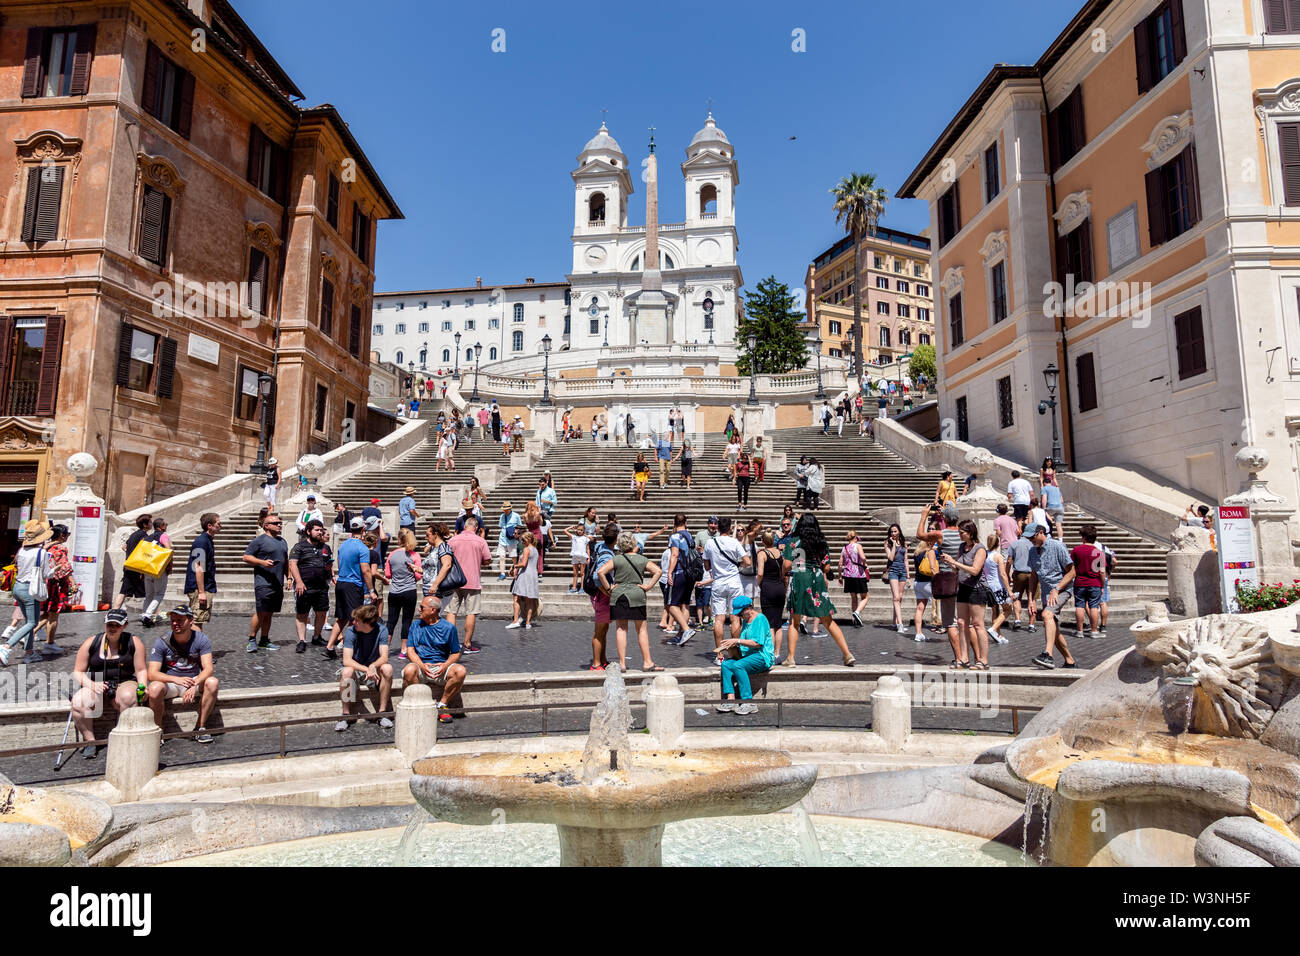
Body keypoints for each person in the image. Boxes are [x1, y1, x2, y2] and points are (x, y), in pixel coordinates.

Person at [68, 609, 148, 758]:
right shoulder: (92, 642)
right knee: (78, 702)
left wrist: (143, 687)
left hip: (124, 681)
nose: (112, 628)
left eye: (116, 625)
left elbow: (141, 669)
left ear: (124, 626)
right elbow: (78, 672)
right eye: (109, 624)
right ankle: (90, 742)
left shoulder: (134, 642)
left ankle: (123, 738)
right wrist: (91, 685)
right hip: (96, 682)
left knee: (129, 697)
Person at [782, 514, 856, 667]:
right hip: (817, 578)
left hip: (801, 577)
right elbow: (827, 567)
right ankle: (847, 653)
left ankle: (790, 658)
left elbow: (788, 565)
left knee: (794, 621)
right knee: (827, 620)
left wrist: (786, 568)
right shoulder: (821, 543)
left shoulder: (794, 542)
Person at [146, 605, 218, 743]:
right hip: (172, 683)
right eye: (172, 620)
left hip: (193, 681)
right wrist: (175, 679)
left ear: (191, 621)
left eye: (179, 620)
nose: (174, 623)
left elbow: (208, 669)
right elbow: (152, 674)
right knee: (154, 688)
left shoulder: (201, 639)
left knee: (212, 682)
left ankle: (200, 728)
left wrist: (194, 684)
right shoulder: (162, 641)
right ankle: (158, 731)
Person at [600, 531, 663, 672]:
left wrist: (609, 588)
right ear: (634, 543)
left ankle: (622, 663)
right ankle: (647, 662)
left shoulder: (617, 559)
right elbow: (658, 571)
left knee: (621, 628)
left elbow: (601, 572)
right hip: (637, 595)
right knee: (641, 629)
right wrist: (648, 586)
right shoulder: (641, 559)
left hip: (619, 595)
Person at [402, 595, 465, 723]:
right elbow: (410, 651)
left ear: (432, 610)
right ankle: (421, 704)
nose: (419, 610)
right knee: (409, 670)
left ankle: (442, 704)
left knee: (461, 671)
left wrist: (445, 665)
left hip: (440, 666)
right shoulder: (415, 626)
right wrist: (422, 665)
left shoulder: (448, 628)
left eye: (422, 607)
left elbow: (455, 653)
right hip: (420, 665)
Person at [916, 503, 963, 665]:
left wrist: (924, 515)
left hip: (948, 579)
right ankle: (972, 657)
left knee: (950, 622)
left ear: (944, 519)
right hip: (964, 577)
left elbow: (920, 535)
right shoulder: (965, 534)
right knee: (966, 622)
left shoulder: (941, 534)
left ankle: (959, 658)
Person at [1026, 522, 1077, 669]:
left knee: (1047, 615)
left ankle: (1048, 655)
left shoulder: (1057, 546)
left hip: (1062, 589)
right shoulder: (1032, 551)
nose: (1031, 540)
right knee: (1052, 628)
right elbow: (1034, 576)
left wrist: (1057, 589)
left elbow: (1072, 571)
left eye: (1033, 537)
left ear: (1041, 532)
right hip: (1046, 593)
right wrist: (1031, 600)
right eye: (1029, 538)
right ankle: (1069, 660)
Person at [941, 520, 990, 671]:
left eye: (962, 533)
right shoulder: (962, 547)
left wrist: (957, 563)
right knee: (961, 623)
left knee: (977, 624)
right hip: (963, 587)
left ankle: (983, 660)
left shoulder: (980, 549)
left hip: (977, 588)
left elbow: (975, 570)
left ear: (970, 532)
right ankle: (964, 658)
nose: (960, 535)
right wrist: (950, 563)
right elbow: (957, 570)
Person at [336, 603, 394, 732]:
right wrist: (367, 669)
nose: (354, 622)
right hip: (357, 670)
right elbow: (347, 660)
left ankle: (382, 712)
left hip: (373, 671)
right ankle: (346, 714)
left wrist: (373, 666)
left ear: (366, 623)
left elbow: (384, 657)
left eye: (357, 620)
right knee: (347, 672)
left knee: (387, 668)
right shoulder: (351, 631)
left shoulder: (382, 630)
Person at [324, 518, 376, 661]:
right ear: (363, 530)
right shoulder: (362, 548)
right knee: (355, 618)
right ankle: (352, 650)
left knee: (341, 618)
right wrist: (371, 590)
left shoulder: (343, 545)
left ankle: (329, 646)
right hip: (353, 585)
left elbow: (339, 563)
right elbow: (365, 571)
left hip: (341, 583)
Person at [715, 596, 773, 715]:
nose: (740, 616)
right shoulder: (746, 620)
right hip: (748, 656)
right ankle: (731, 699)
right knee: (726, 664)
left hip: (762, 656)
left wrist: (737, 641)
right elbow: (743, 641)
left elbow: (757, 643)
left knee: (737, 666)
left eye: (741, 612)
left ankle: (748, 701)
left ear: (749, 608)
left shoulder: (760, 619)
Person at [701, 516, 750, 653]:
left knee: (719, 619)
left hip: (718, 583)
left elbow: (706, 566)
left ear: (717, 527)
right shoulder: (734, 543)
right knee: (735, 618)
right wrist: (738, 564)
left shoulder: (711, 543)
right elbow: (748, 562)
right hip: (734, 582)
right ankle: (736, 653)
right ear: (730, 529)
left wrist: (715, 566)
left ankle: (720, 655)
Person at [242, 512, 288, 653]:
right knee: (261, 611)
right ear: (267, 526)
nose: (279, 525)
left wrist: (290, 578)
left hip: (277, 582)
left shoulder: (282, 541)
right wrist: (262, 562)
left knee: (269, 613)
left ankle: (264, 640)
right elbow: (246, 557)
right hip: (263, 582)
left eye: (280, 523)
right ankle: (251, 639)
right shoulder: (259, 541)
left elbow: (286, 562)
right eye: (276, 523)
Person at [446, 514, 491, 654]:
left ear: (464, 527)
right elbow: (487, 560)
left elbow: (445, 558)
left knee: (451, 611)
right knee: (471, 613)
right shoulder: (480, 541)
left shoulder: (453, 540)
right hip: (472, 580)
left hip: (453, 580)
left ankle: (450, 644)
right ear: (476, 528)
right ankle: (467, 643)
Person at [288, 519, 334, 654]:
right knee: (302, 614)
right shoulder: (299, 547)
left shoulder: (325, 547)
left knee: (321, 612)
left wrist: (330, 574)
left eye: (321, 530)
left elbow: (329, 564)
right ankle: (302, 640)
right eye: (317, 530)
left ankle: (316, 636)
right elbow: (292, 564)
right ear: (308, 531)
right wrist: (299, 582)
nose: (320, 532)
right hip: (305, 586)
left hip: (321, 586)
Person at [384, 527, 424, 658]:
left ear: (399, 540)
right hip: (409, 591)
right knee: (406, 621)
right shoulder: (415, 555)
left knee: (391, 621)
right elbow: (418, 576)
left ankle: (385, 649)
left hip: (394, 591)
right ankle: (403, 649)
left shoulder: (392, 554)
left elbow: (388, 574)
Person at [35, 523, 75, 652]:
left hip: (44, 582)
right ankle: (48, 642)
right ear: (62, 536)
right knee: (53, 614)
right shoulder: (60, 549)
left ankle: (31, 634)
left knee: (47, 612)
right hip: (55, 585)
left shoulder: (44, 547)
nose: (67, 537)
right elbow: (65, 568)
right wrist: (73, 583)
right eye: (67, 534)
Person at [662, 514, 698, 646]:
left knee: (671, 604)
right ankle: (680, 634)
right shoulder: (689, 535)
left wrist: (670, 572)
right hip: (690, 574)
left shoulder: (674, 536)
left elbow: (675, 554)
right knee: (685, 604)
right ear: (686, 522)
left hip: (679, 572)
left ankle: (686, 630)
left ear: (674, 522)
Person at [1069, 524, 1107, 638]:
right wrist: (1102, 586)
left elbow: (1071, 566)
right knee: (1094, 606)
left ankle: (1079, 631)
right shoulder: (1099, 553)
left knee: (1080, 606)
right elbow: (1102, 572)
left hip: (1080, 581)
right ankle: (1094, 631)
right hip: (1094, 582)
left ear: (1084, 537)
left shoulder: (1076, 550)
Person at [755, 531, 788, 656]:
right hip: (779, 587)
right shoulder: (780, 553)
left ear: (763, 541)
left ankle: (769, 653)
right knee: (778, 623)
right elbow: (783, 572)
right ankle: (777, 653)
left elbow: (761, 573)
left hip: (768, 588)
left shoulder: (762, 554)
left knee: (769, 623)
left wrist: (757, 584)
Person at [114, 514, 153, 612]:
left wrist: (130, 554)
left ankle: (114, 611)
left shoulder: (134, 534)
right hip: (136, 568)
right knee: (149, 592)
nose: (151, 524)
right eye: (150, 522)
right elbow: (144, 553)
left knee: (123, 591)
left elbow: (124, 546)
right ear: (145, 525)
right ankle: (153, 613)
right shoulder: (144, 536)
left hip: (128, 566)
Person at [983, 532, 1014, 645]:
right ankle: (993, 628)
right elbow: (1003, 574)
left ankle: (998, 635)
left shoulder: (985, 555)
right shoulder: (998, 556)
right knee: (1008, 609)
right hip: (998, 586)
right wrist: (1009, 590)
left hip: (988, 586)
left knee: (995, 611)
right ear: (998, 543)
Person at [1007, 523, 1038, 632]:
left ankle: (1017, 620)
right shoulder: (1034, 545)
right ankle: (1031, 625)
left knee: (1017, 597)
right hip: (1032, 574)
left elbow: (1009, 561)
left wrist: (1006, 574)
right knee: (1032, 598)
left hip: (1019, 574)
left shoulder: (1015, 544)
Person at [507, 530, 541, 629]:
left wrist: (514, 566)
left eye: (523, 539)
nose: (522, 541)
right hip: (533, 575)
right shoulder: (535, 549)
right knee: (529, 600)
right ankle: (528, 622)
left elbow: (523, 564)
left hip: (525, 574)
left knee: (517, 598)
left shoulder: (527, 549)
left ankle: (516, 620)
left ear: (528, 539)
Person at [839, 531, 871, 627]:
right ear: (856, 537)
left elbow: (840, 563)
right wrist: (864, 564)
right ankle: (857, 612)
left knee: (853, 598)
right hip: (858, 574)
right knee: (865, 597)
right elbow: (863, 557)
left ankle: (855, 620)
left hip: (848, 575)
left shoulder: (844, 548)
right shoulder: (858, 546)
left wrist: (840, 576)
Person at [692, 516, 719, 629]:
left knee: (711, 599)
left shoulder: (720, 536)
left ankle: (712, 617)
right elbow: (693, 548)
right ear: (708, 524)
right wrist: (698, 550)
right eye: (711, 523)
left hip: (716, 566)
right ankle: (703, 620)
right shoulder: (700, 535)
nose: (713, 526)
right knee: (701, 601)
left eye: (715, 524)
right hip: (703, 565)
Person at [883, 524, 912, 632]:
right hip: (893, 571)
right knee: (896, 598)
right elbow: (890, 557)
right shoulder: (887, 543)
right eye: (891, 532)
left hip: (902, 572)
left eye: (895, 531)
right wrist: (894, 545)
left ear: (899, 531)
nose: (893, 533)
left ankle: (894, 622)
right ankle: (900, 624)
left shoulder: (904, 543)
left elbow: (906, 560)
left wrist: (908, 576)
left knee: (899, 598)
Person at [496, 501, 522, 580]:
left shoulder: (516, 516)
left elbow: (519, 526)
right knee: (502, 556)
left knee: (513, 557)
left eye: (507, 509)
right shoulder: (502, 516)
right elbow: (501, 526)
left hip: (512, 539)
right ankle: (502, 573)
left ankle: (516, 571)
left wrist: (516, 533)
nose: (506, 510)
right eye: (505, 509)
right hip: (502, 538)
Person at [564, 523, 592, 593]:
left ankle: (582, 587)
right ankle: (574, 587)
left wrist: (588, 558)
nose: (579, 531)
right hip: (575, 556)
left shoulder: (586, 539)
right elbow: (565, 530)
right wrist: (570, 527)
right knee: (575, 573)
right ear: (576, 530)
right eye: (578, 529)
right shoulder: (573, 537)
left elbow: (588, 548)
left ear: (583, 531)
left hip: (583, 556)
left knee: (582, 573)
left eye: (581, 530)